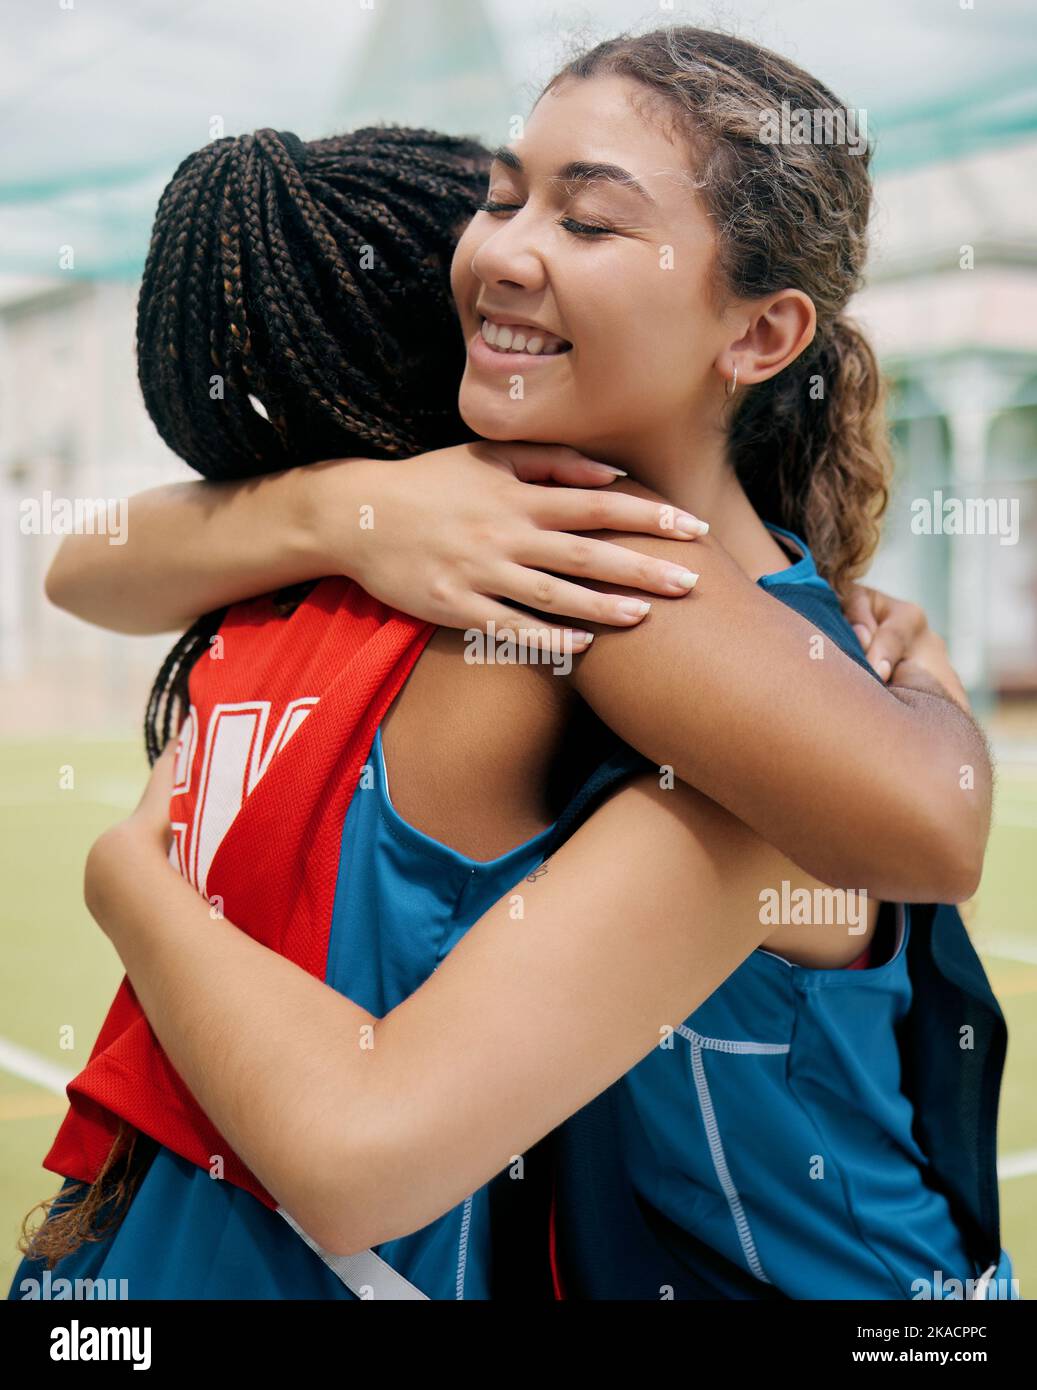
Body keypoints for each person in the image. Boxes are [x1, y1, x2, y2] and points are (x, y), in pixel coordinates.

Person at [14, 27, 1008, 1301]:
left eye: (588, 222)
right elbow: (93, 560)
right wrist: (353, 507)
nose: (503, 252)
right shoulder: (493, 542)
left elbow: (936, 820)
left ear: (760, 336)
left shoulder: (628, 600)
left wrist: (128, 880)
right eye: (500, 198)